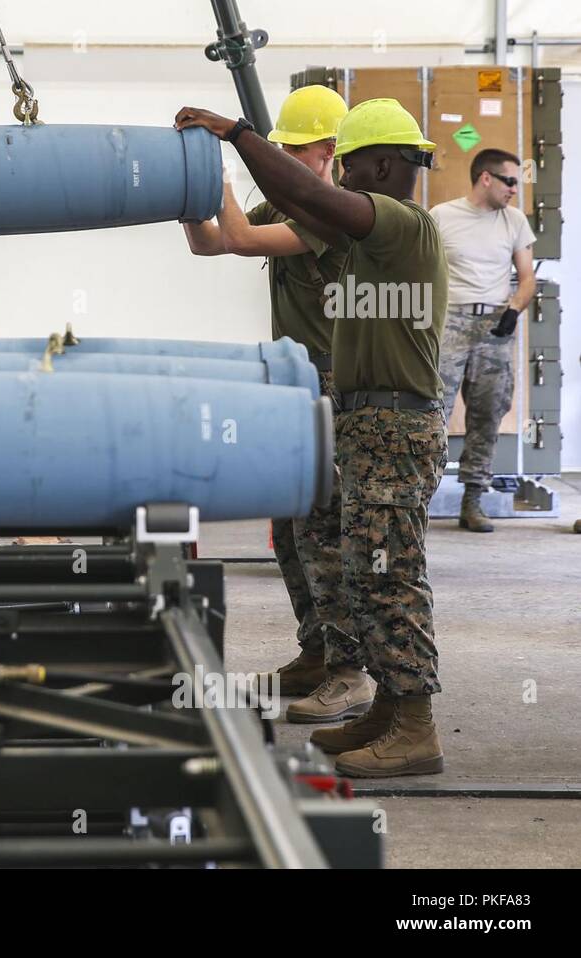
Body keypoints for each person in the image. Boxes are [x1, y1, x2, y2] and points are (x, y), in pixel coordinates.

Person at [176, 97, 448, 777]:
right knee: (363, 572)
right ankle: (388, 708)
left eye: (348, 165)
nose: (340, 179)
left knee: (393, 580)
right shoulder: (365, 237)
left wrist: (237, 135)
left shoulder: (402, 226)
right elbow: (289, 207)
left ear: (381, 165)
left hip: (394, 427)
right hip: (367, 423)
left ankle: (415, 727)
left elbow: (305, 194)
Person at [182, 86, 373, 724]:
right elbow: (208, 243)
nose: (290, 160)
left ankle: (351, 673)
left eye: (299, 149)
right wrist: (188, 193)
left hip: (330, 386)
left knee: (324, 528)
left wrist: (216, 164)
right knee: (291, 532)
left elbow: (236, 238)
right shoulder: (284, 202)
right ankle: (316, 653)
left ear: (330, 152)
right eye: (283, 149)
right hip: (291, 382)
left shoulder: (334, 214)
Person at [431, 148, 537, 532]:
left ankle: (472, 500)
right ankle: (419, 496)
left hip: (495, 323)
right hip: (450, 321)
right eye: (510, 181)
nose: (515, 188)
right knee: (432, 410)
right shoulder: (442, 216)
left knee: (488, 413)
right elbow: (422, 267)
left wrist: (513, 311)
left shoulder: (515, 221)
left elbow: (527, 277)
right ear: (486, 178)